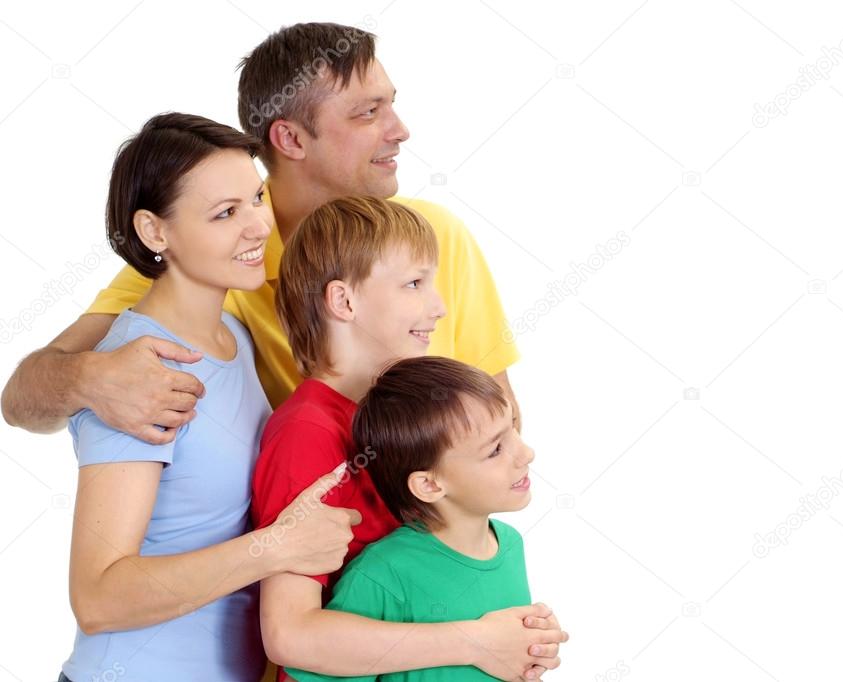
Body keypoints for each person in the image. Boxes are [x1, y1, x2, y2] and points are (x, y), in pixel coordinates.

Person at [2, 22, 522, 443]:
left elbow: (503, 422)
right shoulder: (211, 254)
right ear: (290, 138)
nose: (400, 129)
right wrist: (91, 379)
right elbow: (21, 400)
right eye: (369, 113)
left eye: (390, 103)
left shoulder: (435, 236)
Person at [58, 113, 361, 682]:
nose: (258, 227)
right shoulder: (141, 370)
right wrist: (275, 548)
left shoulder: (232, 336)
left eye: (255, 198)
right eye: (226, 214)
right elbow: (97, 599)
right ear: (154, 232)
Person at [253, 197, 563, 681]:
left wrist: (517, 637)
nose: (439, 307)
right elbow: (290, 635)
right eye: (414, 284)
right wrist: (477, 642)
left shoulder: (395, 414)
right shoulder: (306, 433)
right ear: (344, 302)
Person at [286, 355, 536, 682]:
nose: (526, 453)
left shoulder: (509, 543)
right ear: (429, 484)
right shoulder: (383, 574)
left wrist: (533, 645)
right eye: (494, 450)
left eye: (512, 428)